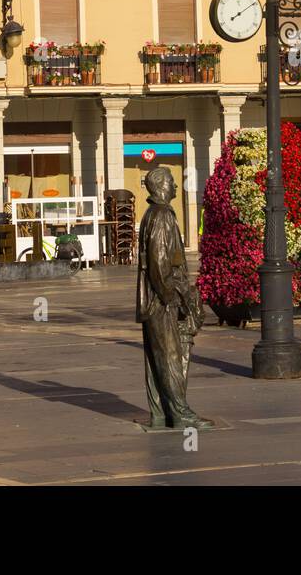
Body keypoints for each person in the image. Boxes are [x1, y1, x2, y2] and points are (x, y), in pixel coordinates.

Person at [136, 168, 212, 430]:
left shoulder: (150, 215)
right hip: (163, 299)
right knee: (170, 355)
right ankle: (180, 413)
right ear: (159, 186)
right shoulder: (162, 216)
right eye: (171, 182)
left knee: (156, 357)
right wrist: (171, 296)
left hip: (154, 299)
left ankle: (160, 412)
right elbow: (159, 262)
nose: (176, 187)